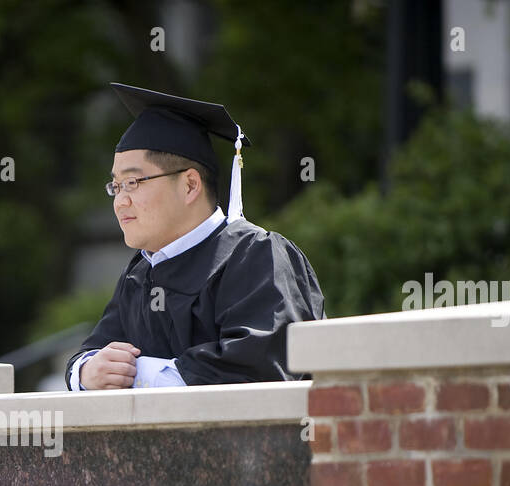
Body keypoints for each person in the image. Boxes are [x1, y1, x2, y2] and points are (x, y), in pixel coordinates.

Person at [67, 83, 326, 390]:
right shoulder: (139, 275)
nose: (120, 201)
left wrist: (143, 375)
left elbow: (259, 366)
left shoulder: (255, 255)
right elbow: (92, 351)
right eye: (116, 186)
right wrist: (87, 372)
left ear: (190, 185)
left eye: (133, 182)